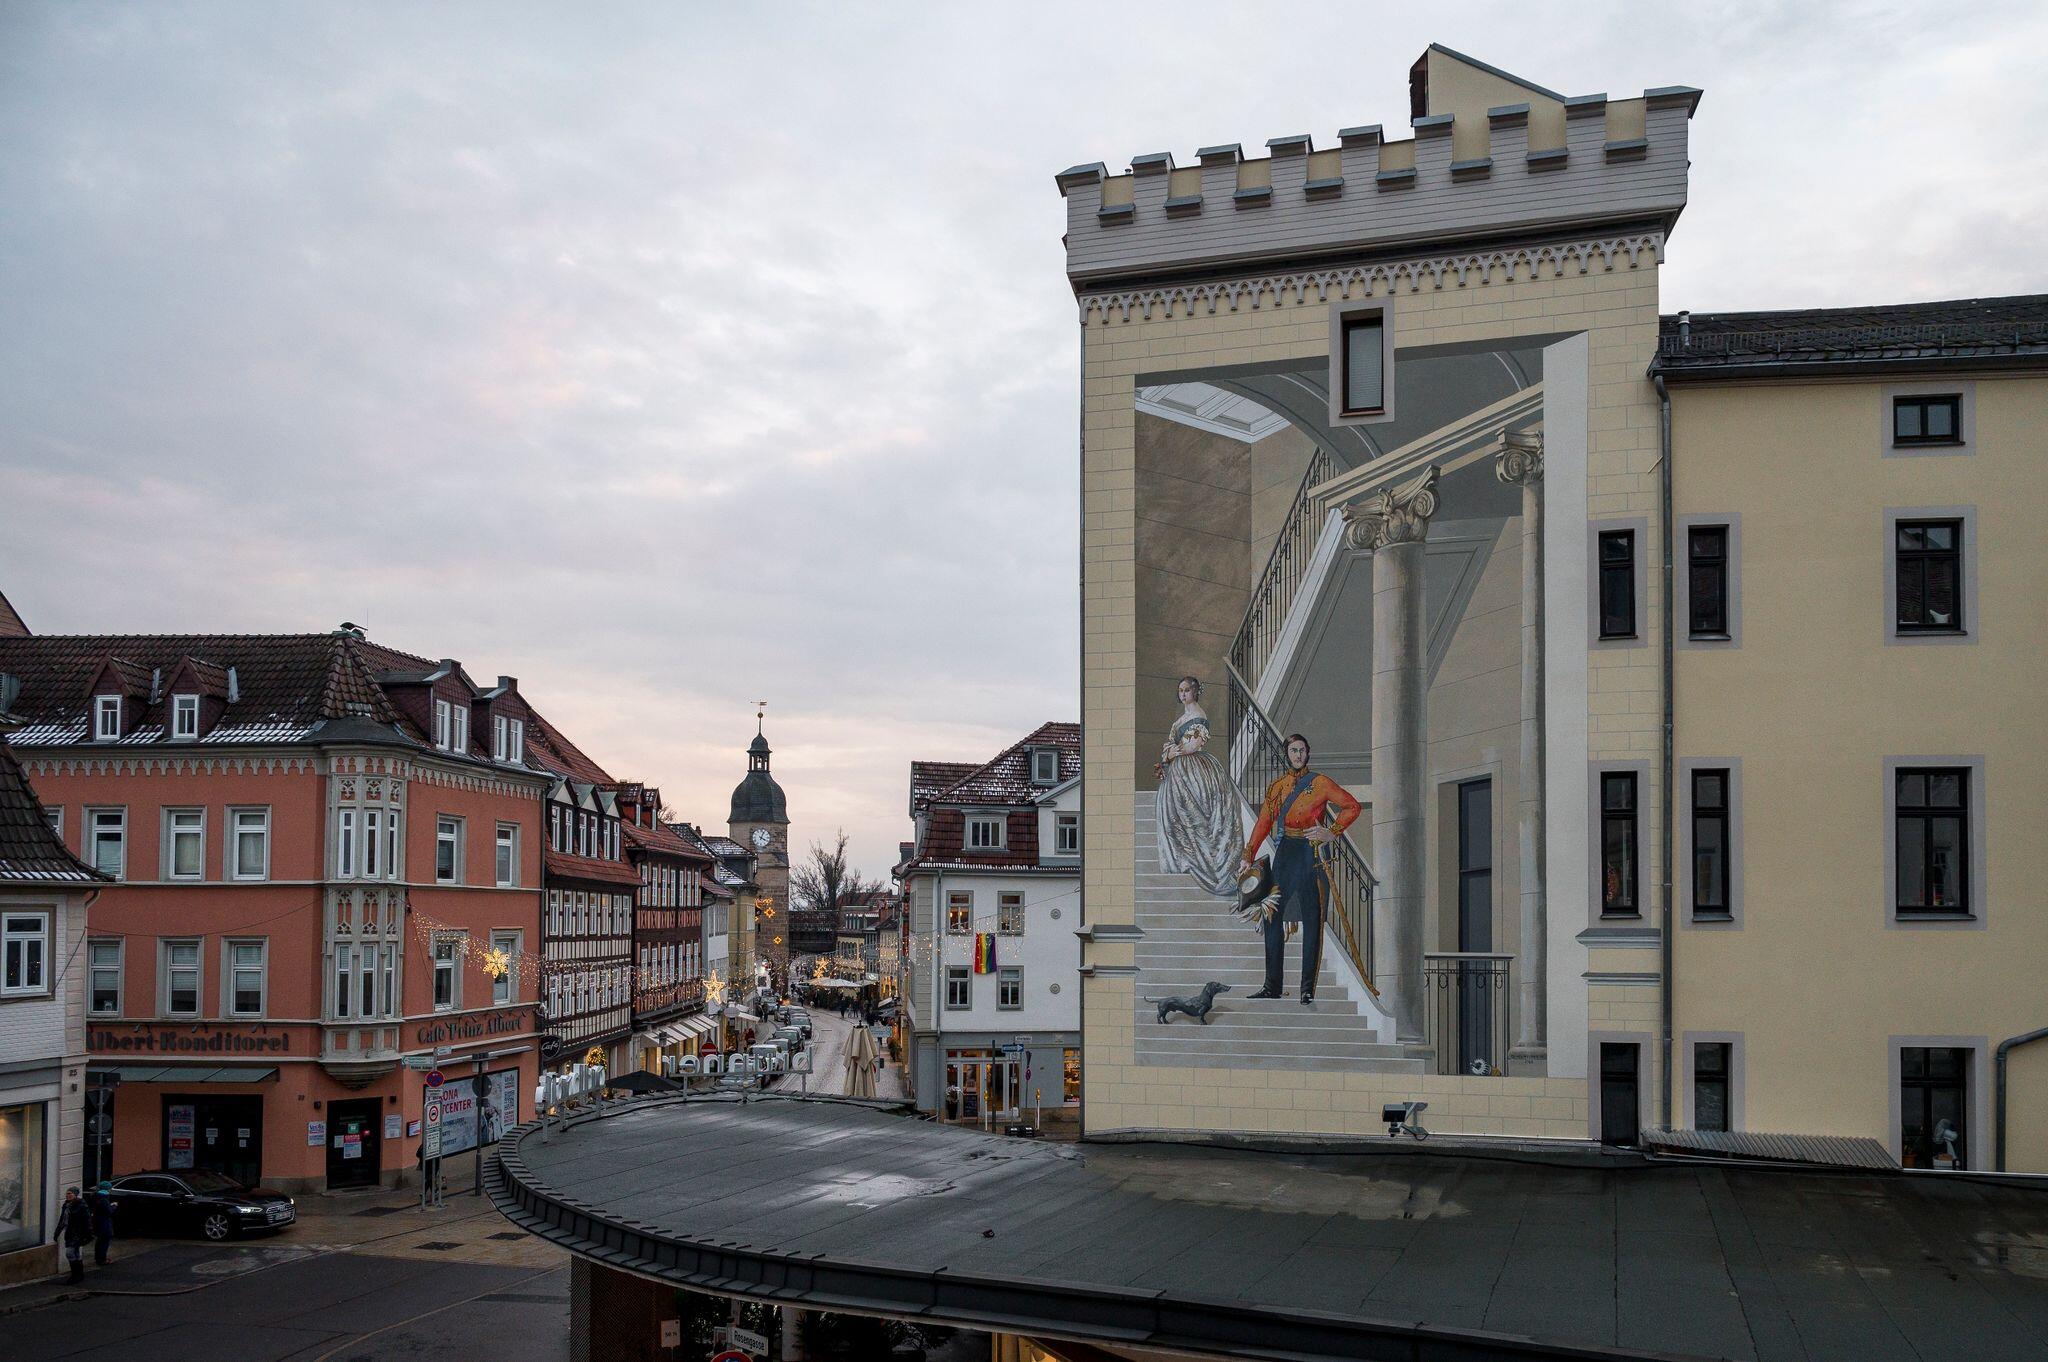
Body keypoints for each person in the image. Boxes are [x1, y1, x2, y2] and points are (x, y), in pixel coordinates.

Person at [1237, 733, 1361, 1005]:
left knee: (1313, 919)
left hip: (1311, 852)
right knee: (1271, 916)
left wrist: (1332, 832)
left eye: (1302, 750)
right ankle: (1272, 985)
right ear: (1287, 754)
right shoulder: (1277, 787)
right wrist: (1249, 854)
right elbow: (1264, 823)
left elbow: (1352, 806)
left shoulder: (1320, 783)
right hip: (1285, 853)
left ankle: (1307, 989)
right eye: (1293, 750)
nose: (1298, 755)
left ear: (1308, 753)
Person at [1154, 676, 1243, 896]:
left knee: (1196, 812)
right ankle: (1185, 857)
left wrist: (1174, 751)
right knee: (1174, 815)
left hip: (1195, 769)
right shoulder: (1180, 719)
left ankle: (1208, 861)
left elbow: (1193, 745)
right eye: (1180, 691)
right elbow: (1170, 743)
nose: (1183, 694)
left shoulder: (1199, 716)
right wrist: (1169, 752)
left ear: (1195, 692)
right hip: (1178, 771)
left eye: (1187, 690)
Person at [54, 1186, 92, 1284]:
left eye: (70, 1193)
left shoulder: (81, 1205)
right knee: (75, 1253)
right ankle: (78, 1275)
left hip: (77, 1233)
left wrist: (87, 1234)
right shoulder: (66, 1205)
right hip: (70, 1232)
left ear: (75, 1195)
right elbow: (63, 1220)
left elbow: (87, 1221)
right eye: (67, 1193)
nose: (68, 1195)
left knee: (70, 1252)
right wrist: (57, 1232)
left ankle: (76, 1275)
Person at [87, 1180, 118, 1266]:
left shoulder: (95, 1197)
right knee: (104, 1242)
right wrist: (114, 1206)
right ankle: (102, 1259)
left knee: (100, 1241)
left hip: (97, 1222)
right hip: (104, 1223)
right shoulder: (104, 1198)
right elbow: (108, 1211)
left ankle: (98, 1258)